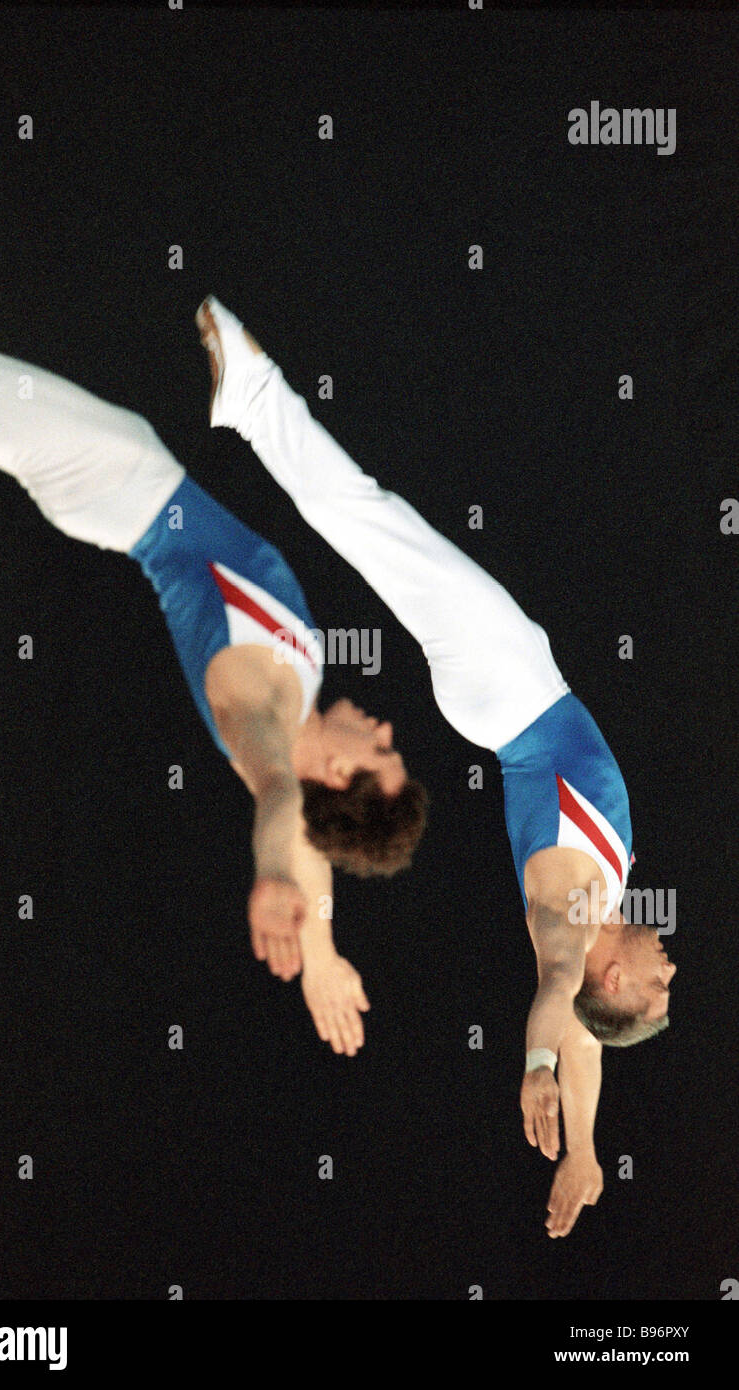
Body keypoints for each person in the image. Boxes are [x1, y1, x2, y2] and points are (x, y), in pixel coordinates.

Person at [195, 296, 677, 1237]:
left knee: (373, 524)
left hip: (510, 692)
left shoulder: (569, 933)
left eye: (659, 984)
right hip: (511, 691)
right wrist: (581, 1146)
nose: (671, 966)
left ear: (614, 978)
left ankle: (252, 392)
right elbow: (586, 1040)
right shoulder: (594, 913)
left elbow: (556, 1013)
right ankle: (252, 400)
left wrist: (535, 1069)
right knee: (376, 530)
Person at [0, 312, 428, 1057]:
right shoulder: (303, 691)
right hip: (128, 475)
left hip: (112, 483)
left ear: (341, 770)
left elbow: (286, 801)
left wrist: (268, 878)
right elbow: (310, 837)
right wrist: (318, 952)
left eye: (382, 752)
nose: (385, 730)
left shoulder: (265, 718)